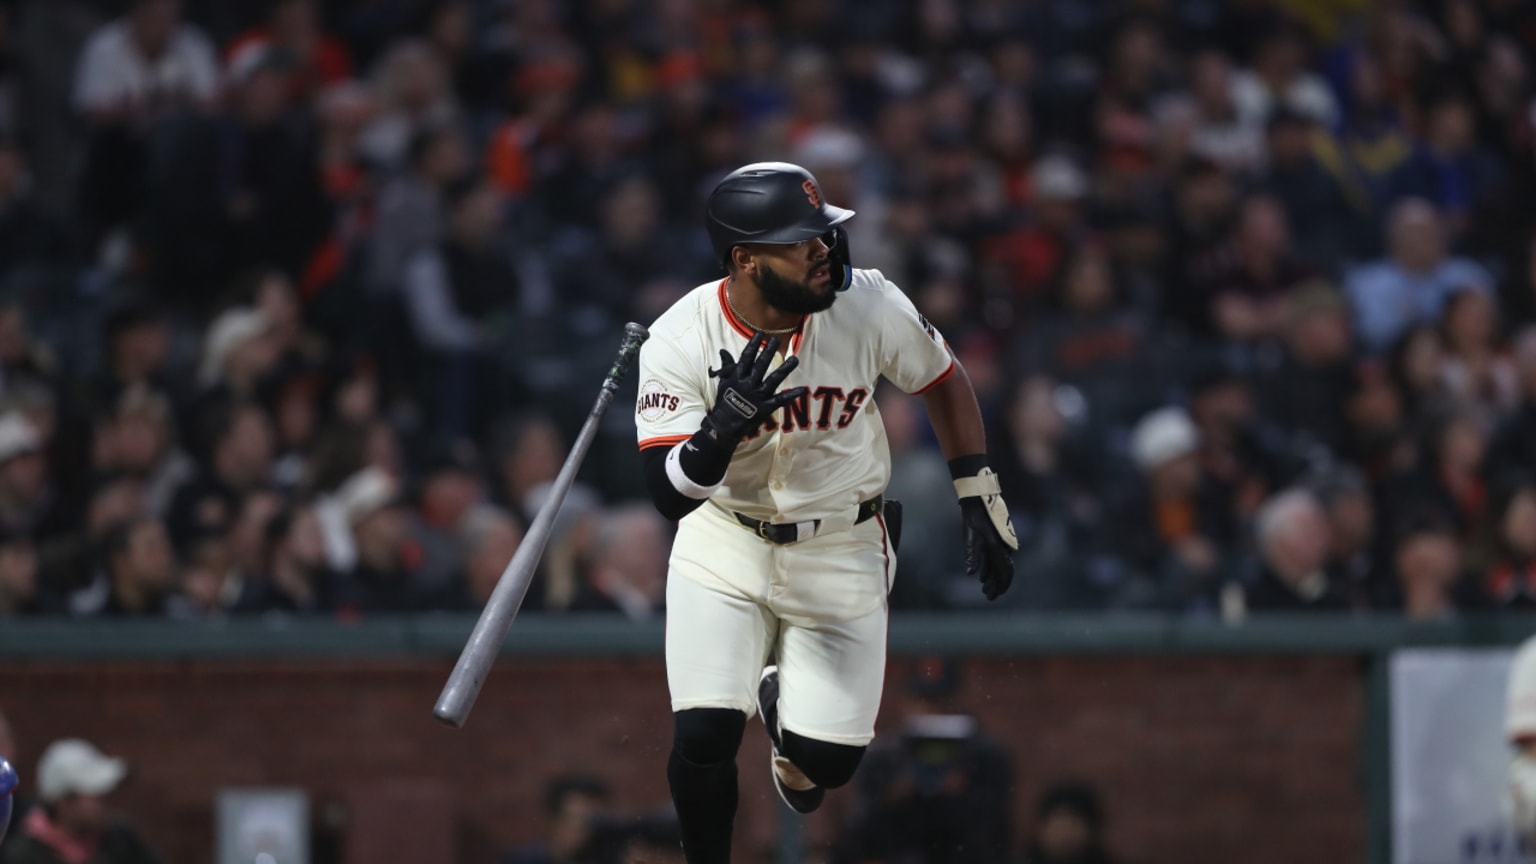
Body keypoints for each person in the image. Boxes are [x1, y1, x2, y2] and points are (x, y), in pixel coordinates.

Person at [633, 162, 1017, 864]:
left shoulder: (865, 303)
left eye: (823, 232)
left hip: (841, 541)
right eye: (799, 239)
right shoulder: (679, 336)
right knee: (706, 734)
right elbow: (667, 494)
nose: (823, 249)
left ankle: (783, 704)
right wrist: (718, 432)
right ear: (745, 260)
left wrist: (978, 491)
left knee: (826, 768)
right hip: (726, 538)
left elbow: (944, 378)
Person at [0, 738, 163, 864]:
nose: (105, 799)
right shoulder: (21, 856)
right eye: (94, 792)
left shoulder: (120, 840)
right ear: (63, 803)